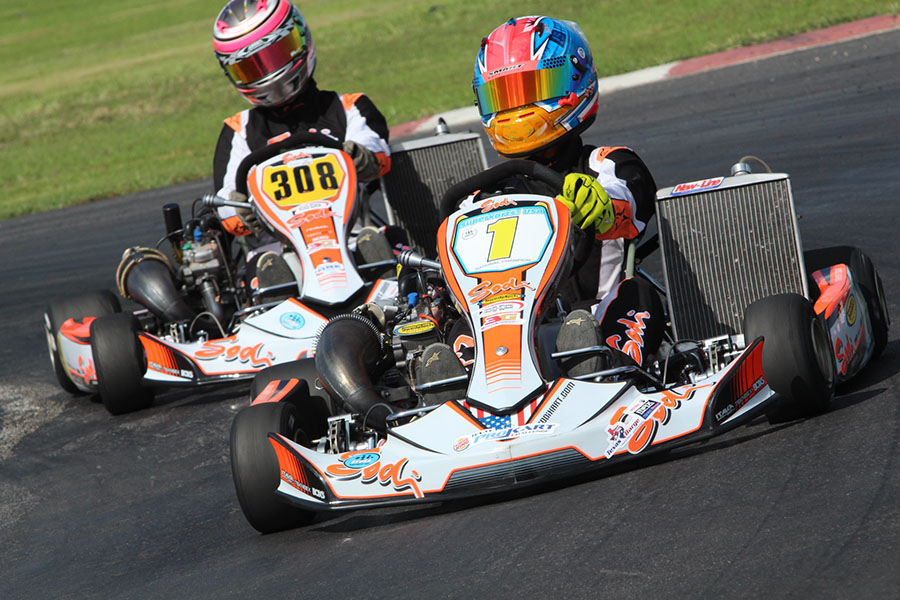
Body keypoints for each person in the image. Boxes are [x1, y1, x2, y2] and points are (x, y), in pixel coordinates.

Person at [469, 15, 664, 372]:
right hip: (513, 333)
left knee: (637, 296)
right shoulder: (483, 197)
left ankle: (603, 373)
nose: (515, 109)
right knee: (451, 328)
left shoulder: (607, 164)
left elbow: (631, 194)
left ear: (575, 82)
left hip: (598, 313)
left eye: (532, 89)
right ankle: (451, 388)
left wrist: (602, 205)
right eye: (503, 96)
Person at [210, 0, 393, 287]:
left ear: (300, 38)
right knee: (265, 269)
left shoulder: (347, 107)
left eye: (274, 55)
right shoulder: (239, 129)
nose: (267, 73)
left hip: (350, 237)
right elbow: (225, 202)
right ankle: (277, 298)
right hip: (277, 248)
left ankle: (390, 298)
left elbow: (376, 149)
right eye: (251, 67)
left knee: (378, 245)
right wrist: (239, 208)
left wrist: (361, 157)